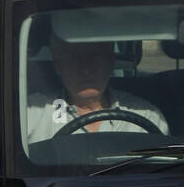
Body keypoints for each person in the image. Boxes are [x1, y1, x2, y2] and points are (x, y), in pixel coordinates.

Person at [26, 30, 169, 145]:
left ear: (110, 61)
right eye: (75, 58)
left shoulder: (146, 116)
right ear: (58, 66)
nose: (86, 69)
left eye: (95, 56)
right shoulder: (32, 113)